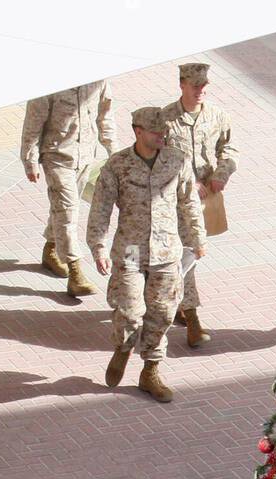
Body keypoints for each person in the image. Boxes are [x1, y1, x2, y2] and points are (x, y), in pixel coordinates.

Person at [86, 106, 205, 401]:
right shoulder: (117, 166)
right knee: (129, 312)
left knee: (163, 312)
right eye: (156, 131)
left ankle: (150, 371)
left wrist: (197, 238)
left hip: (166, 251)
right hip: (129, 251)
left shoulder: (178, 161)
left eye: (165, 130)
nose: (162, 135)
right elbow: (100, 208)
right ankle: (123, 347)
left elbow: (189, 203)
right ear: (138, 132)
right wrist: (98, 246)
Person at [160, 63, 237, 347]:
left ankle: (174, 302)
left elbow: (228, 148)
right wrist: (187, 183)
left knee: (190, 254)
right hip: (175, 201)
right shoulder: (166, 119)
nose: (200, 91)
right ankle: (192, 318)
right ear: (182, 84)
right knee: (188, 254)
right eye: (195, 86)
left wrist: (221, 174)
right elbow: (157, 158)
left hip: (206, 200)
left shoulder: (217, 116)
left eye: (204, 86)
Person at [21, 82, 117, 297]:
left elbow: (105, 116)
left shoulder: (98, 81)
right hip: (57, 157)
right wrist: (30, 160)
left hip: (85, 157)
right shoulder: (50, 82)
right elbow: (33, 123)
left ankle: (51, 249)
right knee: (68, 211)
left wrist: (115, 153)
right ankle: (75, 273)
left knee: (63, 209)